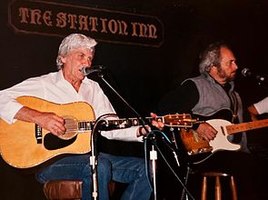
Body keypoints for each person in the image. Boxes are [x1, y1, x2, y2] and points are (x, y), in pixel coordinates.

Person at [0, 33, 154, 200]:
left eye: (90, 58)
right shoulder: (45, 84)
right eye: (81, 56)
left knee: (147, 168)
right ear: (63, 58)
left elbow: (109, 126)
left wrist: (141, 129)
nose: (87, 63)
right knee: (98, 165)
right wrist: (39, 117)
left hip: (88, 157)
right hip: (48, 162)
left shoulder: (92, 88)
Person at [157, 41, 264, 199]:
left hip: (234, 151)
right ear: (213, 67)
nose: (236, 67)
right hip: (204, 155)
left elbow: (244, 126)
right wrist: (197, 124)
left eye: (235, 62)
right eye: (230, 63)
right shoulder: (195, 86)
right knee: (253, 167)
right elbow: (164, 108)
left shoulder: (236, 95)